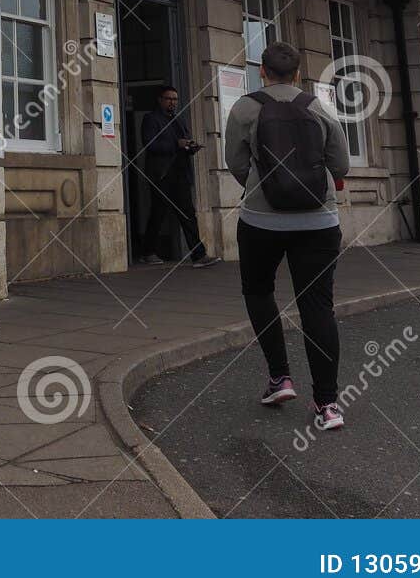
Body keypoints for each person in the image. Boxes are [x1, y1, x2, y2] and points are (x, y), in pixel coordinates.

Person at [224, 41, 352, 432]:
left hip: (262, 221)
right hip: (318, 222)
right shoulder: (317, 107)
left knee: (259, 292)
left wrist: (260, 186)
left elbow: (235, 162)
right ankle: (328, 404)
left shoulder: (245, 107)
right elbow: (341, 163)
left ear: (260, 71)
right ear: (298, 74)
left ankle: (280, 378)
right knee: (317, 306)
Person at [138, 86, 219, 267]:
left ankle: (199, 255)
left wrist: (191, 146)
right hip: (163, 175)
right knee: (158, 214)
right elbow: (150, 145)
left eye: (175, 99)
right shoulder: (151, 119)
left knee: (188, 214)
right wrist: (177, 144)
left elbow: (184, 142)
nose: (172, 102)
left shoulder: (178, 119)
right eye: (169, 99)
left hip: (181, 174)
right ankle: (147, 251)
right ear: (160, 99)